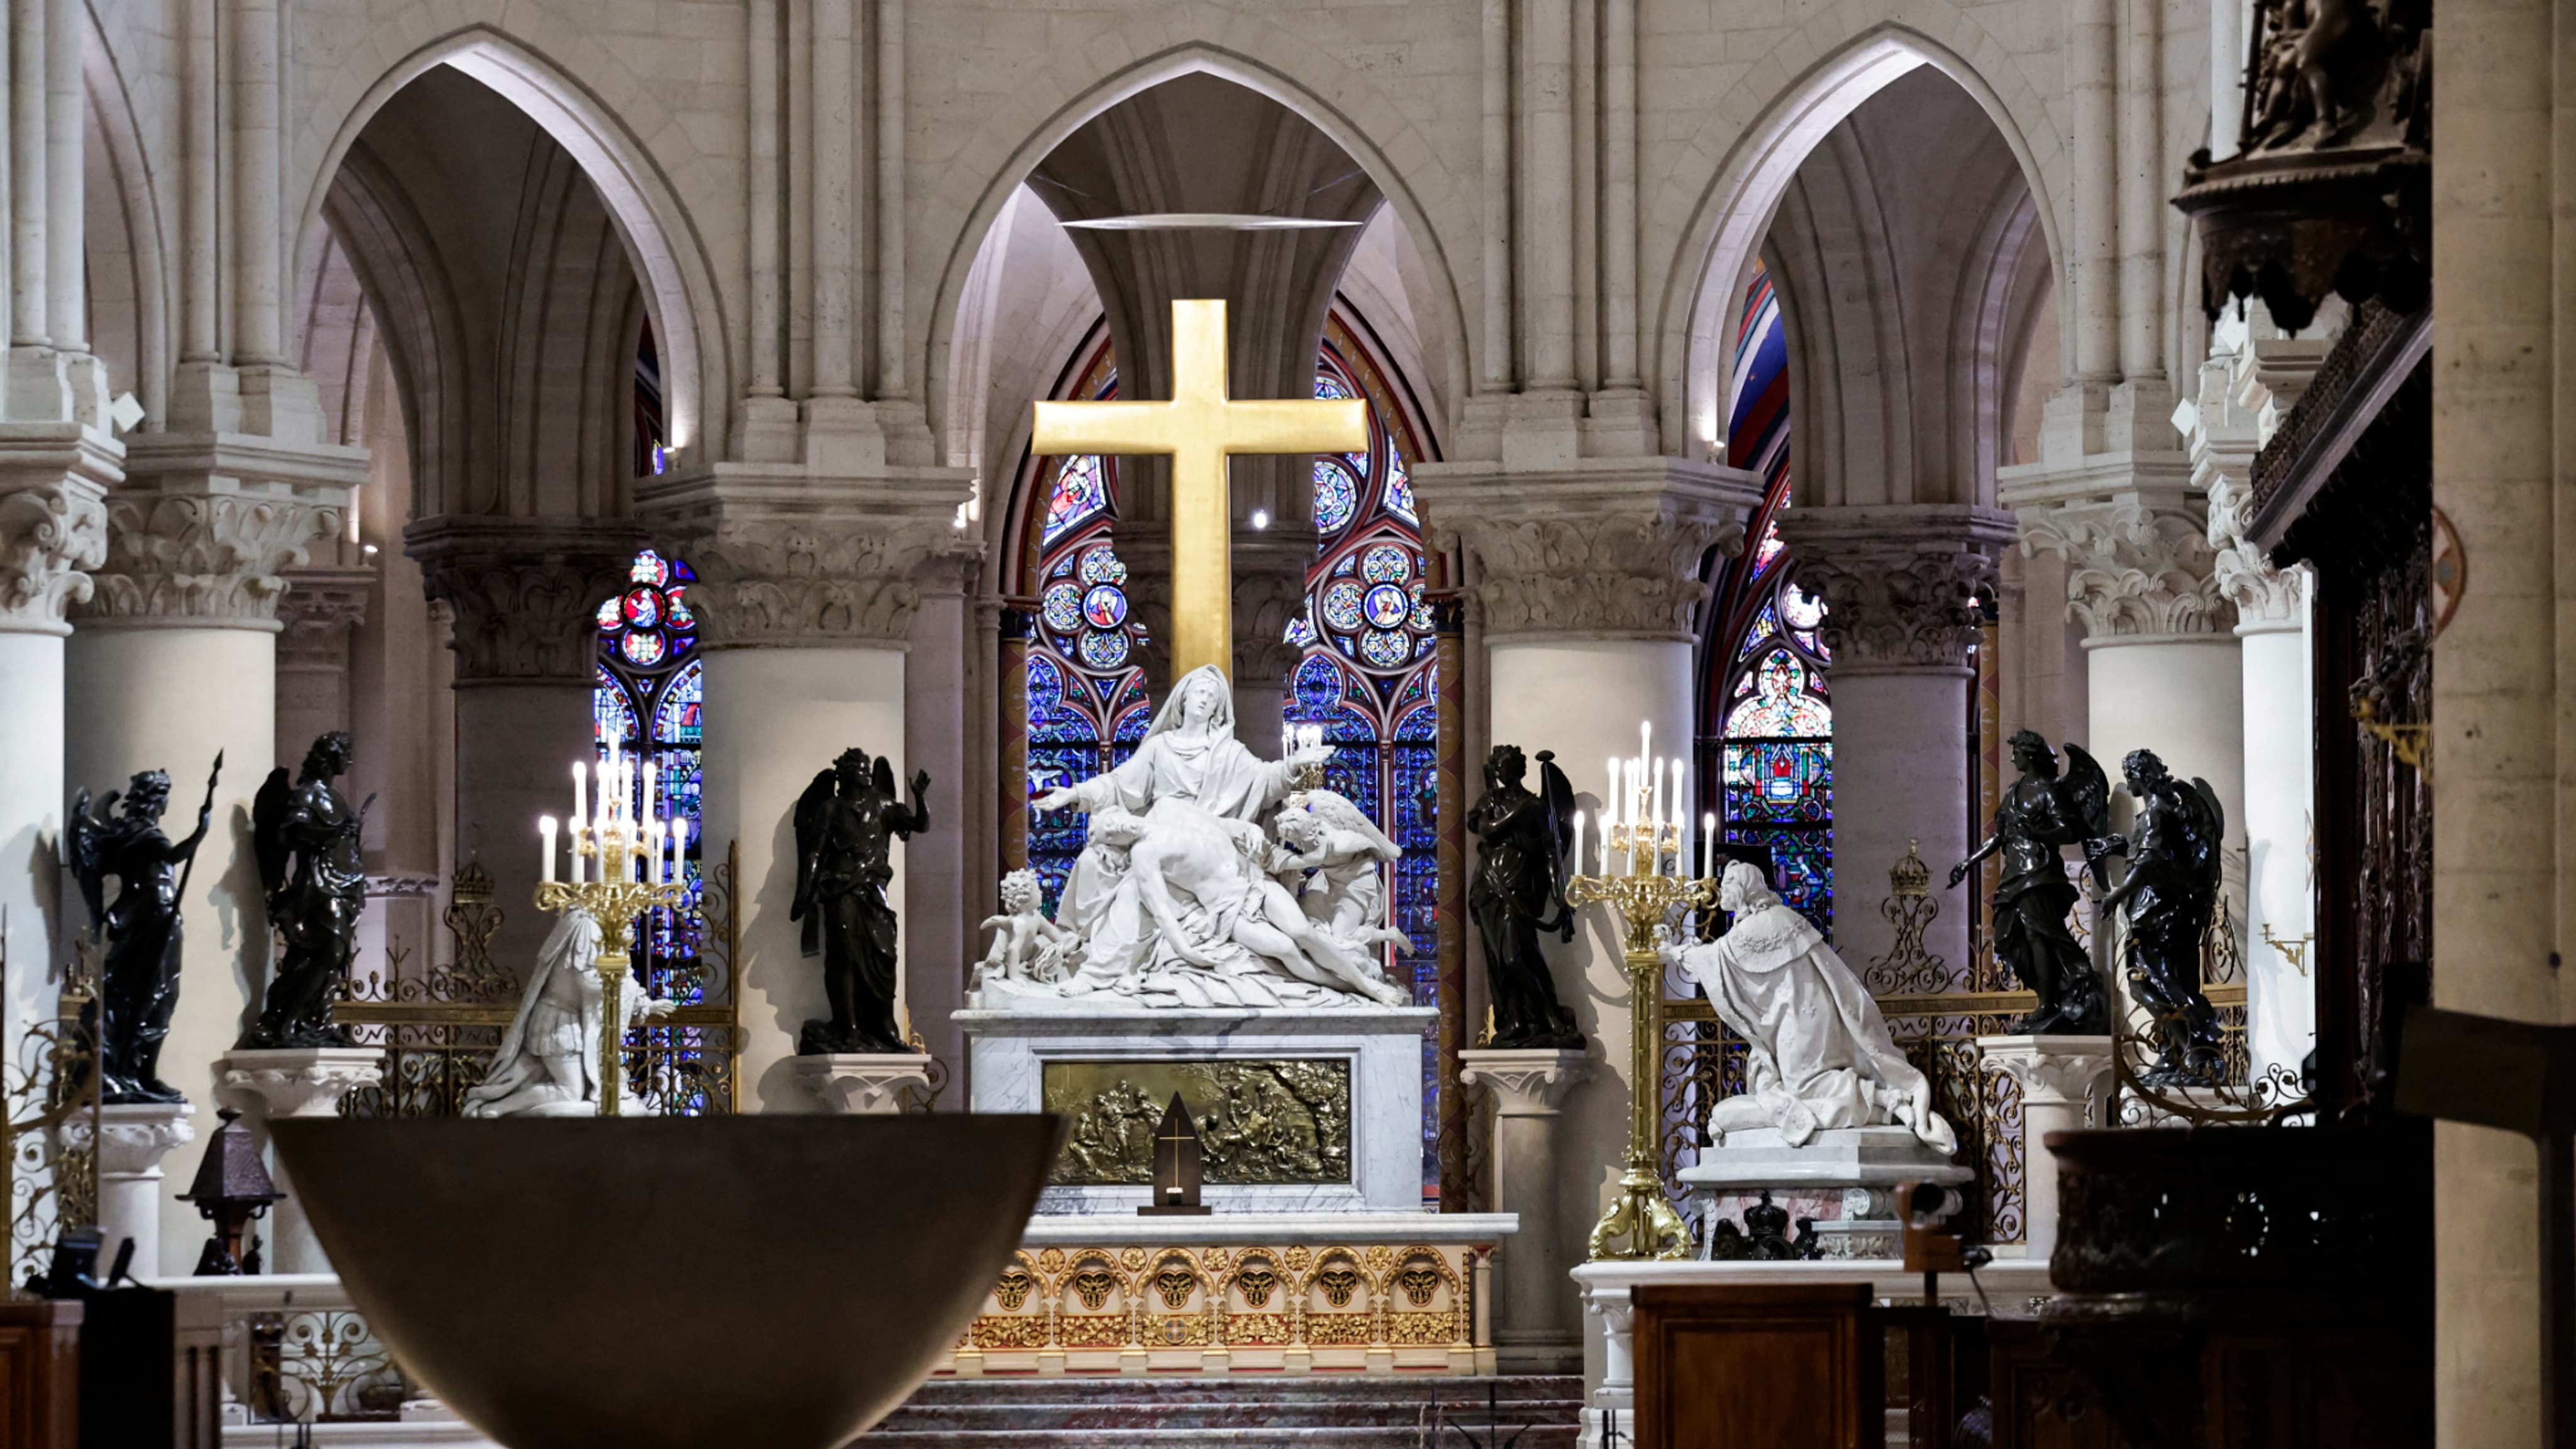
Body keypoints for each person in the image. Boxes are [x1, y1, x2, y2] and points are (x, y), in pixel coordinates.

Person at [1661, 861, 1957, 1153]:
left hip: (1801, 1020)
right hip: (1810, 1017)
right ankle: (1890, 1104)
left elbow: (1714, 960)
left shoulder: (1760, 925)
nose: (1720, 893)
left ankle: (1888, 1103)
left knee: (1807, 1088)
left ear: (1743, 889)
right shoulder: (1779, 919)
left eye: (1726, 886)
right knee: (1809, 1087)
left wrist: (1672, 953)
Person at [1948, 731, 2113, 1034]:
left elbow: (2071, 831)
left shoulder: (2051, 791)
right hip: (2014, 875)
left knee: (2040, 935)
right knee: (2007, 939)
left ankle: (2049, 1003)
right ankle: (2050, 996)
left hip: (2040, 874)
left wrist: (2039, 835)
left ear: (2031, 755)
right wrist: (1967, 863)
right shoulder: (2013, 791)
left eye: (2018, 753)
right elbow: (1999, 836)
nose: (2013, 758)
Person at [68, 766, 216, 1102]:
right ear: (154, 800)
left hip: (164, 915)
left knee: (165, 995)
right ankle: (122, 1069)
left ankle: (144, 1073)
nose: (165, 805)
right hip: (147, 916)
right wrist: (201, 830)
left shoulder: (141, 830)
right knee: (141, 991)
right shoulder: (136, 831)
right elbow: (171, 855)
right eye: (163, 798)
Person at [464, 909, 674, 1117]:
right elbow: (589, 983)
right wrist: (619, 974)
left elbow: (618, 977)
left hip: (577, 1024)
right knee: (570, 1091)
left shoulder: (599, 926)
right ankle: (496, 1109)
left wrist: (645, 1003)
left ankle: (497, 1108)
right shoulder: (585, 927)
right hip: (559, 1022)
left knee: (575, 1090)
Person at [792, 749, 930, 1054]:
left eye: (868, 768)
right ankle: (849, 1028)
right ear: (845, 773)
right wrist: (806, 890)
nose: (866, 773)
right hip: (842, 893)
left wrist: (919, 796)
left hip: (874, 894)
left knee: (885, 958)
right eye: (859, 768)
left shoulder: (882, 804)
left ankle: (885, 1028)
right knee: (844, 958)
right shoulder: (831, 808)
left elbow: (920, 825)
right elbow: (815, 852)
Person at [244, 733, 367, 1048]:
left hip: (344, 882)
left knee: (335, 957)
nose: (350, 762)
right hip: (319, 884)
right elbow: (290, 836)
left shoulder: (335, 795)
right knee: (330, 950)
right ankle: (287, 1021)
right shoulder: (307, 795)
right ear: (330, 758)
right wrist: (332, 832)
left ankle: (318, 1022)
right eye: (346, 755)